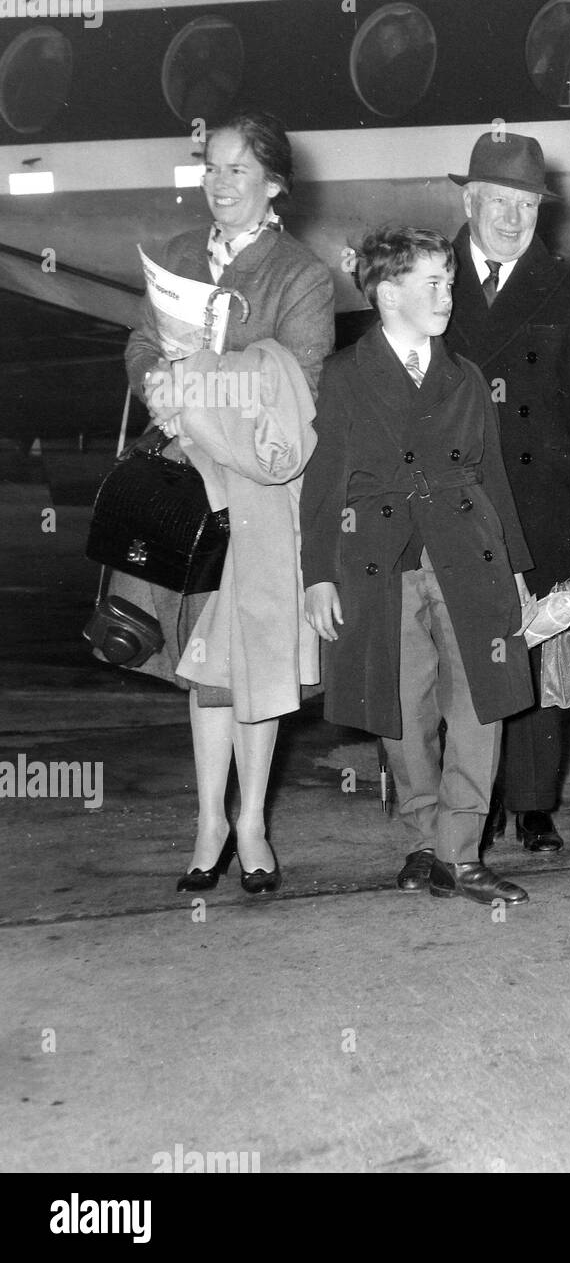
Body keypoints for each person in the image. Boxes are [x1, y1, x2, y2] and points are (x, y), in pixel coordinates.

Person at [121, 108, 335, 893]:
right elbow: (143, 342)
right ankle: (211, 818)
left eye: (237, 169)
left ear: (274, 182)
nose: (219, 184)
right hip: (184, 484)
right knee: (203, 662)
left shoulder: (301, 274)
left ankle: (254, 825)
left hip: (257, 491)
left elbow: (301, 386)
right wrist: (155, 381)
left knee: (257, 666)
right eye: (210, 168)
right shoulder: (178, 255)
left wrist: (198, 384)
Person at [301, 226, 536, 905]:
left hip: (468, 558)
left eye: (450, 281)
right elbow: (325, 485)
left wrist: (516, 571)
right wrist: (317, 574)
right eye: (432, 282)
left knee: (481, 706)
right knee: (402, 712)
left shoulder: (464, 377)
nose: (449, 294)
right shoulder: (344, 376)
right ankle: (427, 836)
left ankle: (460, 855)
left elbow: (493, 478)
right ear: (386, 292)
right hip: (381, 564)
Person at [443, 132, 570, 855]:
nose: (513, 220)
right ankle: (467, 802)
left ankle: (535, 800)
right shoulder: (429, 276)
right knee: (461, 647)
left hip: (541, 492)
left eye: (527, 206)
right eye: (499, 203)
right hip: (451, 492)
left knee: (537, 641)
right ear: (468, 199)